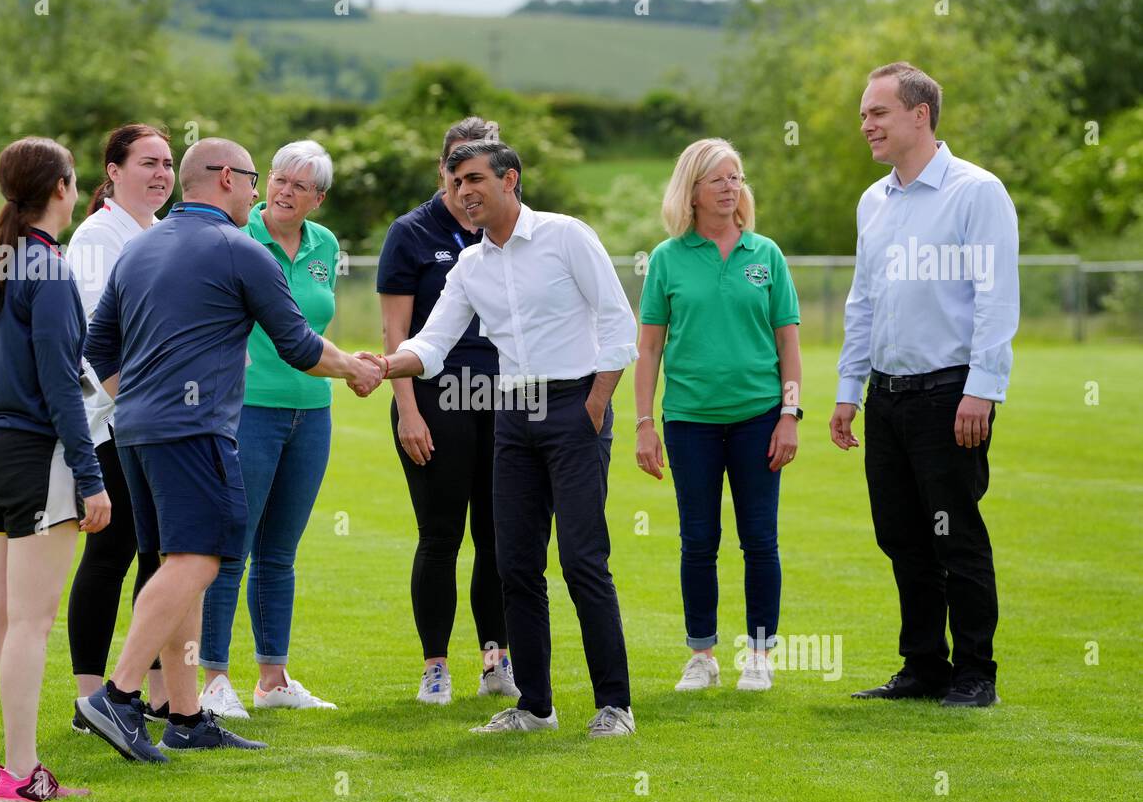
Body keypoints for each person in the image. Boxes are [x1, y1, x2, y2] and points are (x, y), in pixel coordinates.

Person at [76, 138, 381, 763]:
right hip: (195, 431)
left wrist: (135, 401)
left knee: (176, 562)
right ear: (224, 180)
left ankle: (187, 716)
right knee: (203, 559)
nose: (258, 190)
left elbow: (98, 344)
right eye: (251, 178)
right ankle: (118, 694)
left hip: (135, 431)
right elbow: (298, 343)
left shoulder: (140, 249)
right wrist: (356, 368)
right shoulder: (240, 249)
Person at [367, 140, 639, 738]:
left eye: (474, 180)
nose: (463, 192)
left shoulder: (567, 236)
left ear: (509, 180)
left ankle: (614, 706)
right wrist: (384, 366)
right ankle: (536, 708)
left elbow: (620, 321)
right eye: (456, 182)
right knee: (516, 564)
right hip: (511, 415)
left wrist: (595, 403)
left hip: (574, 406)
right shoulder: (470, 266)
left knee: (582, 559)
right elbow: (432, 345)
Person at [832, 62, 1019, 708]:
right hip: (887, 396)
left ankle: (976, 671)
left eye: (877, 113)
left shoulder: (977, 192)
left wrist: (983, 387)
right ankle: (924, 666)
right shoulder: (872, 201)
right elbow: (863, 302)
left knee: (954, 533)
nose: (866, 125)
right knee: (902, 535)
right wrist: (848, 390)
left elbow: (997, 297)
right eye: (864, 114)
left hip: (951, 393)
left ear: (920, 115)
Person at [0, 136, 111, 802]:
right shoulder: (48, 267)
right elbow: (59, 385)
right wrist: (91, 476)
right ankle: (21, 774)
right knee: (28, 623)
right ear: (62, 189)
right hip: (31, 455)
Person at [634, 138, 801, 694]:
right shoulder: (666, 259)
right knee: (698, 539)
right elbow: (650, 348)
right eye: (719, 180)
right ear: (693, 191)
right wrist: (644, 424)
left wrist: (790, 413)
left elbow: (788, 344)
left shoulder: (767, 255)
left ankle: (759, 653)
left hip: (759, 418)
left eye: (737, 178)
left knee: (760, 540)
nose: (732, 188)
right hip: (689, 421)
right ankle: (702, 654)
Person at [199, 140, 341, 718]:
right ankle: (211, 678)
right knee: (231, 545)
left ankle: (273, 678)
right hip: (247, 409)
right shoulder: (237, 236)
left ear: (318, 198)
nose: (283, 190)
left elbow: (311, 325)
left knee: (280, 551)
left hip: (312, 409)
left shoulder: (324, 245)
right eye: (279, 178)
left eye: (299, 185)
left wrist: (350, 365)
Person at [376, 117, 515, 706]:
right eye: (458, 168)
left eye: (479, 169)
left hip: (507, 395)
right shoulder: (411, 232)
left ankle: (496, 660)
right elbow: (395, 332)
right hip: (436, 396)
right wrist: (407, 409)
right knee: (440, 535)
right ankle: (436, 666)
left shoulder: (512, 227)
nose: (467, 185)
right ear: (443, 170)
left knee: (500, 535)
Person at [65, 124, 174, 732]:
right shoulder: (98, 237)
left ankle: (154, 696)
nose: (161, 174)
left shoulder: (156, 232)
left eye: (168, 163)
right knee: (112, 552)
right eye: (147, 163)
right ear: (112, 171)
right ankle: (92, 698)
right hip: (109, 424)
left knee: (157, 555)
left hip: (150, 419)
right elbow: (95, 342)